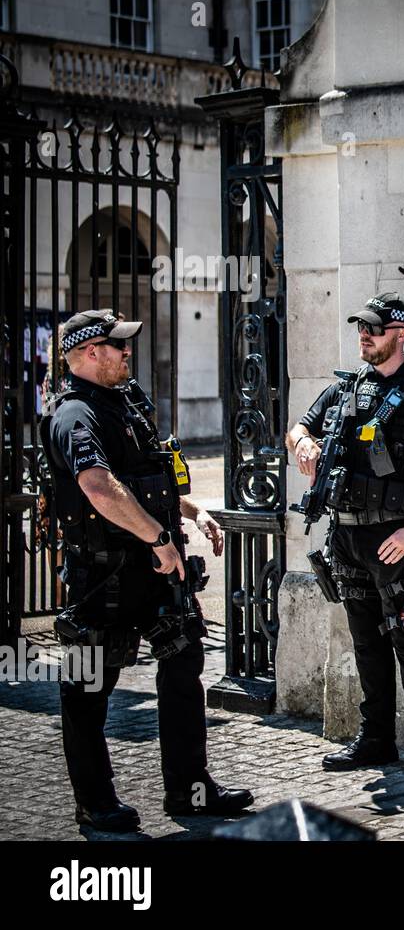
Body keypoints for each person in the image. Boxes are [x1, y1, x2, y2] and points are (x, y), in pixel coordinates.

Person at [42, 308, 254, 832]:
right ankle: (95, 801)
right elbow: (97, 486)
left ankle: (190, 791)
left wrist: (192, 512)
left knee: (184, 672)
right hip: (105, 578)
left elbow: (147, 479)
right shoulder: (73, 414)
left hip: (157, 570)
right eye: (118, 346)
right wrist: (158, 539)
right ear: (90, 353)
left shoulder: (125, 402)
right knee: (89, 691)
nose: (127, 353)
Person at [286, 292, 404, 785]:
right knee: (367, 644)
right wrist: (303, 442)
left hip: (396, 544)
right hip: (346, 539)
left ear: (402, 332)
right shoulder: (346, 389)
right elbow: (297, 428)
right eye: (361, 327)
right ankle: (376, 741)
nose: (364, 335)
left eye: (374, 328)